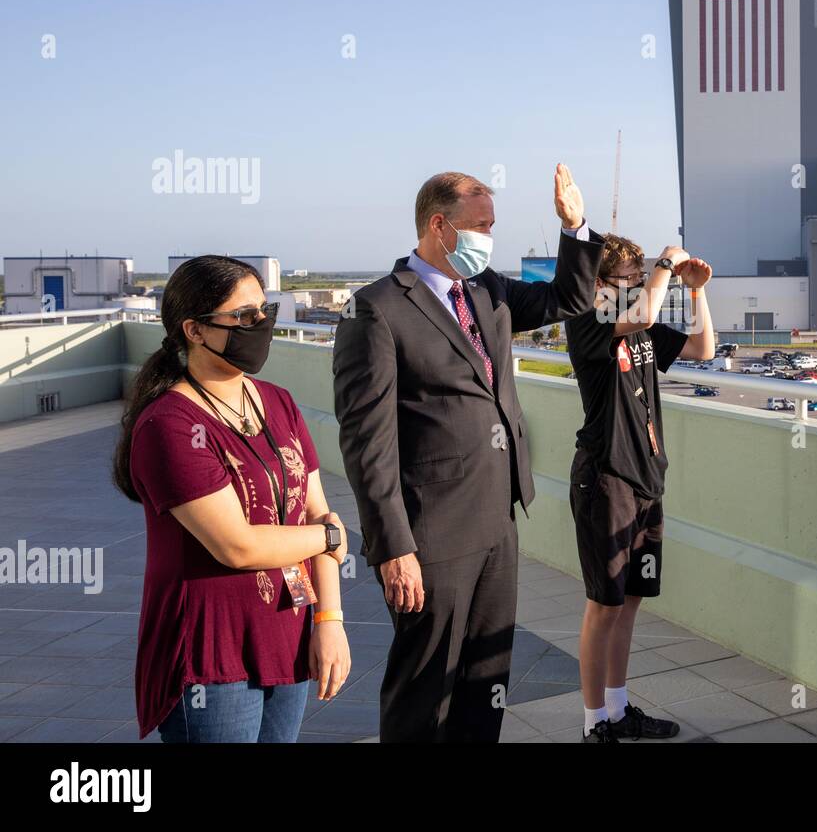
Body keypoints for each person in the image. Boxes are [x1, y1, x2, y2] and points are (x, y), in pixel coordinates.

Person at [333, 165, 604, 742]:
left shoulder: (488, 289)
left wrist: (575, 225)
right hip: (430, 531)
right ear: (440, 226)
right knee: (425, 685)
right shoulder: (376, 308)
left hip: (496, 519)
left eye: (492, 225)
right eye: (481, 225)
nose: (489, 237)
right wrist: (393, 546)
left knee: (485, 678)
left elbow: (571, 297)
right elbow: (367, 440)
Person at [112, 255, 351, 742]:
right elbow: (237, 546)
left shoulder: (278, 403)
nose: (259, 325)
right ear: (195, 331)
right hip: (210, 653)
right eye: (243, 317)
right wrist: (327, 536)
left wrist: (330, 619)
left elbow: (315, 507)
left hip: (286, 633)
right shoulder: (169, 426)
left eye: (264, 311)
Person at [564, 234, 714, 742]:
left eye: (635, 278)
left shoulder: (642, 332)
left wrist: (695, 291)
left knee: (630, 601)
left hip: (647, 479)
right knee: (603, 604)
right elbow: (646, 311)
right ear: (599, 283)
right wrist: (666, 265)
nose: (632, 287)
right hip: (605, 478)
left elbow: (703, 347)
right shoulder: (589, 320)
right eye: (624, 279)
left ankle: (618, 707)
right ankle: (593, 723)